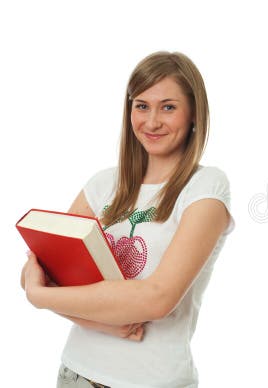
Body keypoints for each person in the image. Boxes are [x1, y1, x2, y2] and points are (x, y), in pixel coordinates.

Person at [20, 51, 233, 388]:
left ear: (194, 114)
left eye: (168, 107)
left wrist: (39, 299)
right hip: (75, 374)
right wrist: (106, 322)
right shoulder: (104, 184)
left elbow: (156, 299)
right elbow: (40, 272)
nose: (151, 122)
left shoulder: (205, 187)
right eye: (142, 105)